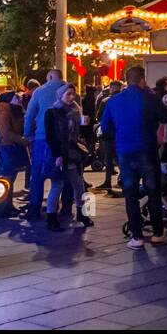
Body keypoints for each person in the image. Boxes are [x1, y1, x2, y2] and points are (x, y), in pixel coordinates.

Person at [99, 66, 167, 249]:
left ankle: (137, 237)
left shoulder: (113, 101)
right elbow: (166, 117)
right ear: (142, 80)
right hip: (147, 150)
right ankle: (157, 234)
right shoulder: (150, 98)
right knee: (153, 191)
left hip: (125, 152)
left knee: (130, 194)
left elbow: (105, 127)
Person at [44, 84, 94, 231]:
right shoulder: (52, 113)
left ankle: (82, 213)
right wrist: (57, 154)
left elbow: (79, 133)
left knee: (79, 184)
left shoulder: (75, 111)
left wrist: (85, 126)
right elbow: (50, 136)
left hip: (73, 153)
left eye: (73, 94)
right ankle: (51, 218)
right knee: (57, 185)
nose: (72, 97)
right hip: (59, 153)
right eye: (68, 94)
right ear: (60, 95)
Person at [22, 68, 69, 220]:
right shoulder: (70, 90)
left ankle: (35, 209)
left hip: (42, 139)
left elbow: (29, 115)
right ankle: (64, 207)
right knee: (62, 176)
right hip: (64, 140)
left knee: (37, 175)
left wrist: (28, 134)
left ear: (49, 77)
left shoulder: (39, 92)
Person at [0, 89, 29, 216]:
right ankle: (4, 207)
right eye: (15, 97)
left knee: (9, 179)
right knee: (6, 179)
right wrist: (22, 140)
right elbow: (5, 133)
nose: (18, 98)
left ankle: (7, 206)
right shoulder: (4, 111)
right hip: (8, 148)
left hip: (12, 147)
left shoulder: (13, 111)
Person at [91, 80, 123, 196]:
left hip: (108, 133)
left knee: (108, 158)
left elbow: (99, 116)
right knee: (119, 158)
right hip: (121, 133)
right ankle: (123, 179)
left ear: (111, 88)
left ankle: (108, 181)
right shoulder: (124, 100)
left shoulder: (106, 101)